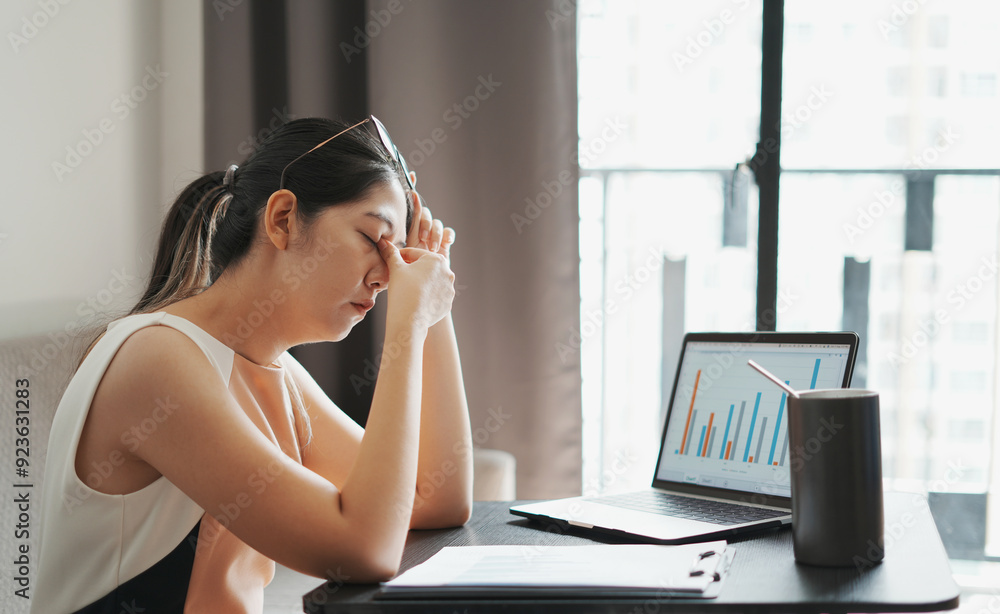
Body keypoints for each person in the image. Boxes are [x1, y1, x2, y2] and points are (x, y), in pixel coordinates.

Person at [32, 116, 472, 613]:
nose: (388, 276)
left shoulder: (271, 369)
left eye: (399, 255)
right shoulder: (155, 360)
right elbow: (363, 549)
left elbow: (437, 499)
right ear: (283, 218)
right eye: (375, 241)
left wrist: (434, 311)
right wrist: (409, 324)